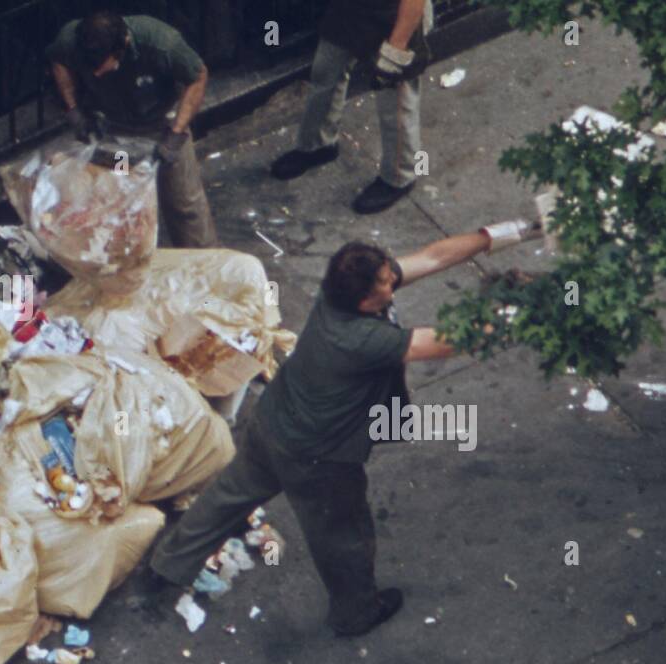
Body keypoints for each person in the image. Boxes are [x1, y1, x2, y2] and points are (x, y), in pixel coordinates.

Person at [149, 217, 541, 636]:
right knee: (343, 535)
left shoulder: (342, 289)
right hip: (317, 457)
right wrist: (522, 311)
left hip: (275, 421)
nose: (394, 282)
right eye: (388, 285)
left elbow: (432, 256)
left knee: (228, 496)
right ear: (367, 303)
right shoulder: (361, 340)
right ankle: (355, 612)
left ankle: (167, 565)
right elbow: (454, 339)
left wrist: (503, 234)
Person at [45, 10, 218, 247]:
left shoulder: (162, 43)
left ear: (123, 45)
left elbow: (198, 76)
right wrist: (73, 109)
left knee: (184, 204)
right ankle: (129, 263)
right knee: (123, 198)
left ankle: (203, 266)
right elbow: (59, 61)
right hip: (116, 130)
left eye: (103, 67)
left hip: (163, 124)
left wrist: (177, 132)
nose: (96, 73)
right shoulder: (70, 41)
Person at [269, 0, 433, 215]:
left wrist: (396, 48)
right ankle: (319, 144)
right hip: (350, 8)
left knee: (395, 99)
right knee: (325, 72)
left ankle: (400, 176)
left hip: (397, 14)